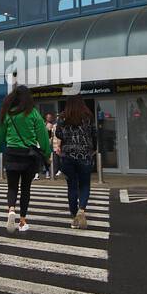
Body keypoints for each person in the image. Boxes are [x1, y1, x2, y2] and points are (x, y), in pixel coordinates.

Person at [0, 85, 50, 234]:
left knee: (12, 187)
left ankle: (11, 209)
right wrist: (47, 152)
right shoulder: (34, 114)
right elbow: (42, 135)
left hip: (11, 154)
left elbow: (0, 134)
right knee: (25, 189)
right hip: (29, 156)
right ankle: (23, 221)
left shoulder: (9, 114)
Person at [55, 97, 97, 228]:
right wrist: (93, 148)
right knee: (85, 184)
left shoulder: (63, 117)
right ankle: (82, 210)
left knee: (72, 186)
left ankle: (74, 217)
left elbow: (58, 134)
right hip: (85, 155)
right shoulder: (88, 116)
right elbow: (94, 133)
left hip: (68, 156)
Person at [42, 112, 58, 179]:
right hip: (43, 142)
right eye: (47, 117)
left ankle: (49, 171)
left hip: (49, 143)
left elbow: (51, 135)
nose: (49, 118)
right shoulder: (43, 124)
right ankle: (46, 170)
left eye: (50, 117)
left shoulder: (51, 125)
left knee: (49, 158)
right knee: (44, 158)